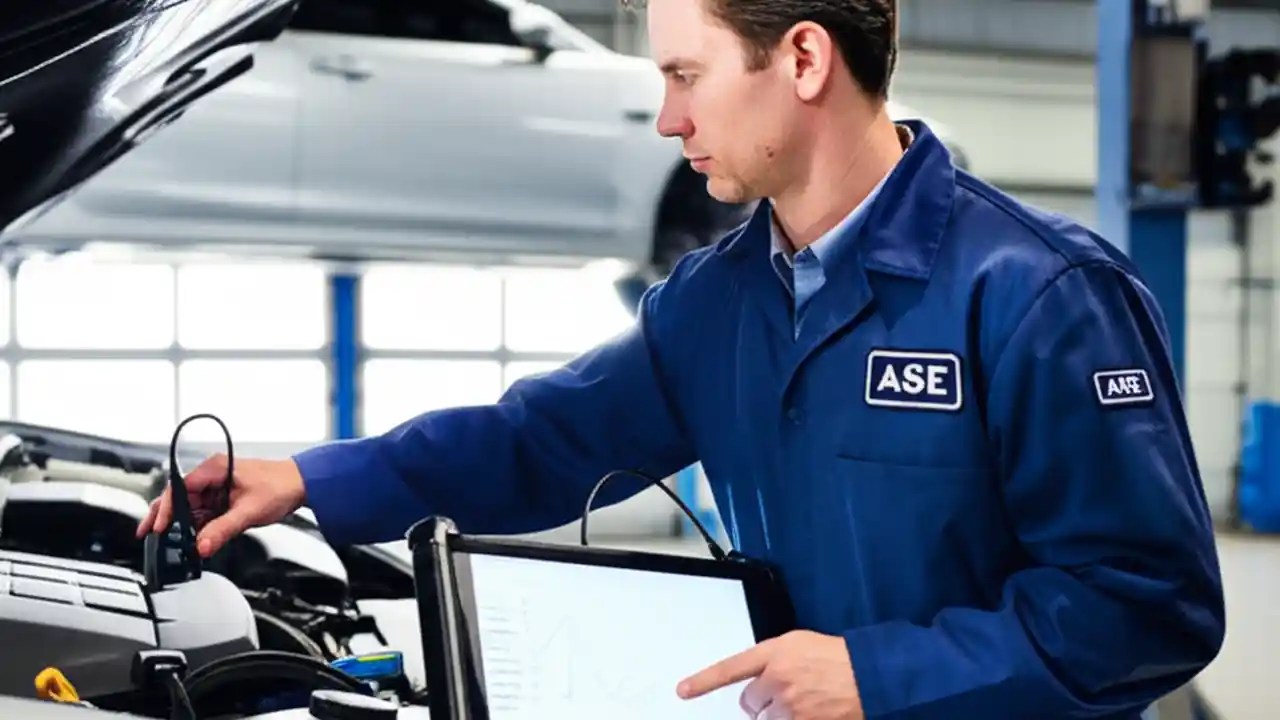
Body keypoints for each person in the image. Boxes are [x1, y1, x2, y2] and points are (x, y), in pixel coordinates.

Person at [138, 0, 1226, 717]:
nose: (663, 118)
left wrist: (873, 677)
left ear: (801, 57)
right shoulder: (718, 300)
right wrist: (309, 481)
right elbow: (540, 440)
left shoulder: (1036, 295)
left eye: (684, 74)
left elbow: (1146, 608)